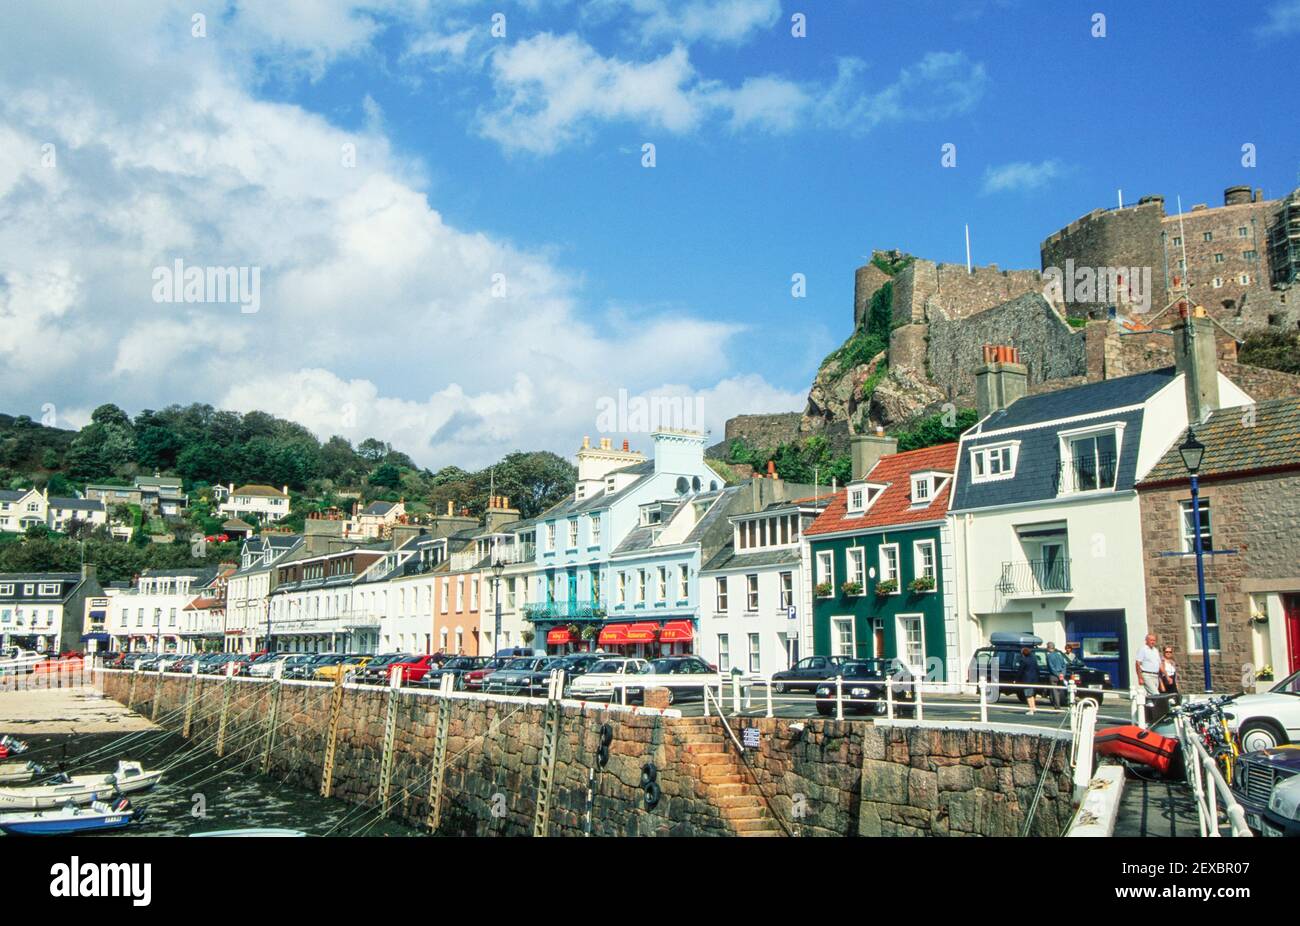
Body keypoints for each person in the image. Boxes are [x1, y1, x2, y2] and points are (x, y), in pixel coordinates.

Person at [1135, 633, 1161, 699]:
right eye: (1151, 640)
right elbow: (1138, 663)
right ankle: (1158, 709)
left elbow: (1159, 664)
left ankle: (1149, 708)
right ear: (1146, 640)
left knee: (1151, 696)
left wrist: (1166, 676)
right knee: (1156, 694)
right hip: (1147, 675)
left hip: (1155, 675)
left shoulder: (1155, 650)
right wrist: (1140, 677)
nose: (1153, 642)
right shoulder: (1143, 649)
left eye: (1154, 640)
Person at [1017, 646, 1040, 715]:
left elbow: (1020, 671)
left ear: (1023, 654)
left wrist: (1016, 679)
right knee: (1032, 694)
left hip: (1027, 680)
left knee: (1028, 695)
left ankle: (1031, 709)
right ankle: (1034, 707)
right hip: (1034, 679)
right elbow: (1037, 669)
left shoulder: (1024, 660)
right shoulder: (1034, 659)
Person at [1045, 641, 1067, 707]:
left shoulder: (1049, 656)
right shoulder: (1059, 655)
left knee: (1054, 691)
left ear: (1048, 648)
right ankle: (1059, 703)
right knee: (1060, 690)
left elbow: (1051, 667)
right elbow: (1064, 665)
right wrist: (1062, 674)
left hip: (1053, 675)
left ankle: (1057, 705)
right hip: (1061, 675)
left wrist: (1057, 674)